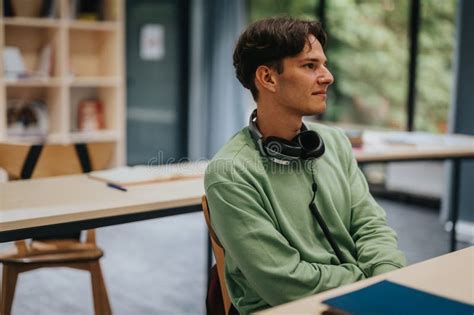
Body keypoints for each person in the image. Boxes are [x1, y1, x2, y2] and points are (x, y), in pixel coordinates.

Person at [204, 16, 406, 314]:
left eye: (323, 64)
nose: (327, 76)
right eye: (310, 66)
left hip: (356, 298)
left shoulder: (334, 144)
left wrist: (387, 275)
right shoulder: (230, 173)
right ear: (268, 78)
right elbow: (283, 281)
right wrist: (365, 282)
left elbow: (371, 225)